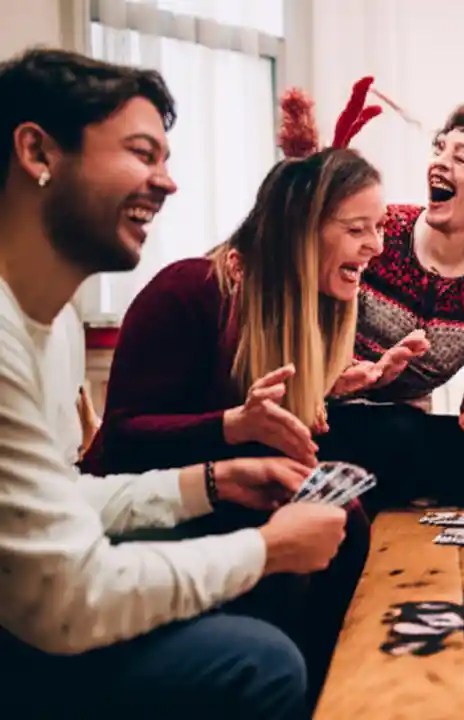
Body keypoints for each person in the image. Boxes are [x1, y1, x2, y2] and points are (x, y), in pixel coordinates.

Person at [0, 47, 349, 719]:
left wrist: (214, 481)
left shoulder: (56, 324)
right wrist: (264, 551)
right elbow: (65, 599)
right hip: (26, 633)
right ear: (37, 153)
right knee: (261, 663)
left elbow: (58, 499)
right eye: (142, 153)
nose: (167, 183)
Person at [78, 80, 407, 701]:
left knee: (347, 516)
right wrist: (233, 427)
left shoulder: (307, 308)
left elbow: (280, 431)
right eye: (358, 229)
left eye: (380, 229)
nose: (376, 247)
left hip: (222, 493)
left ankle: (328, 691)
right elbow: (121, 441)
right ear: (304, 228)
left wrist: (328, 396)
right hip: (138, 516)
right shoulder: (187, 289)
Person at [326, 103, 464, 509]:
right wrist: (359, 375)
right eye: (439, 150)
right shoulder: (383, 230)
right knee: (401, 431)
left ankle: (379, 492)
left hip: (404, 430)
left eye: (460, 157)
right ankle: (391, 494)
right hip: (334, 410)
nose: (440, 163)